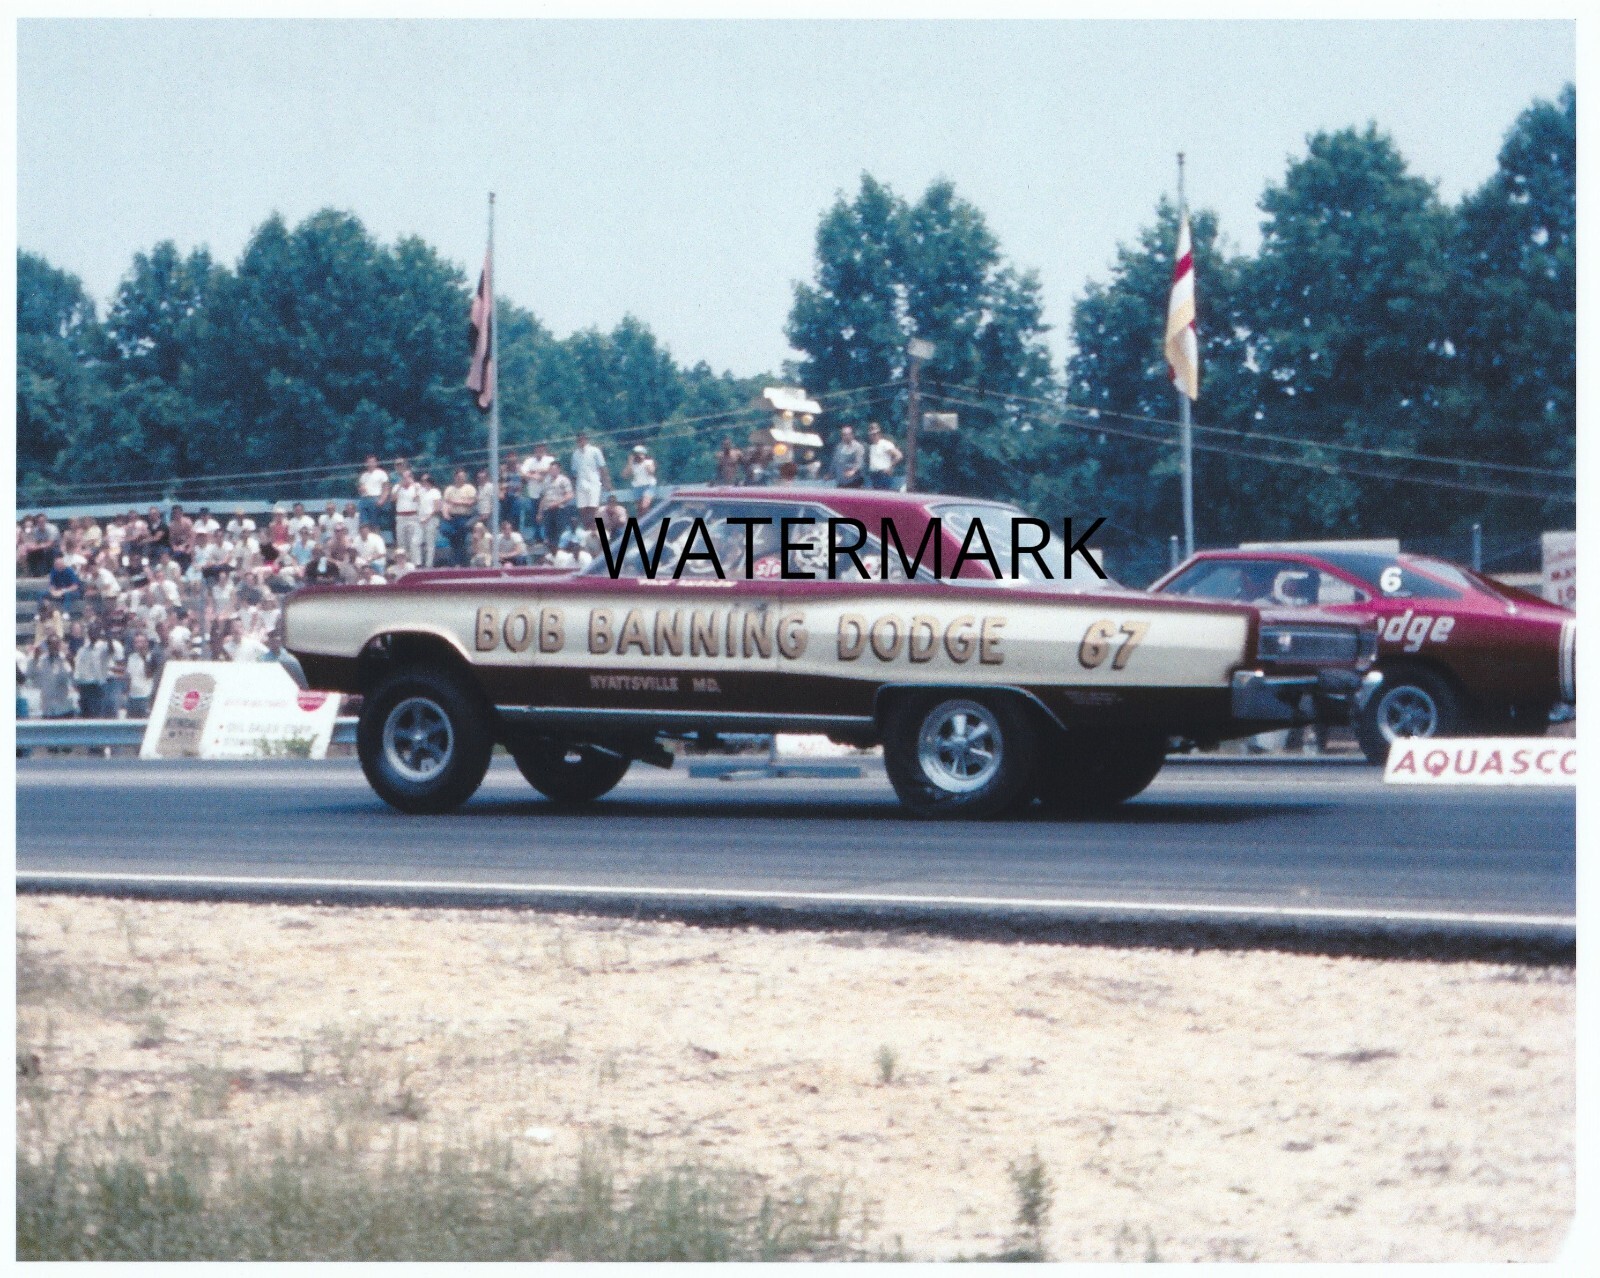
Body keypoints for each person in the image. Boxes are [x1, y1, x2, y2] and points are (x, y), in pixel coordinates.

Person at [27, 636, 76, 721]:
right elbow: (30, 674)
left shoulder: (65, 659)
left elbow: (73, 678)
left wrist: (72, 663)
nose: (54, 647)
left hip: (64, 709)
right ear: (48, 646)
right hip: (47, 709)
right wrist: (35, 658)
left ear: (59, 645)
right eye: (52, 644)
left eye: (56, 644)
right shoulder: (41, 660)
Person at [569, 433, 610, 532]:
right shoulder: (575, 454)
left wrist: (606, 482)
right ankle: (587, 531)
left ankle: (596, 530)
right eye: (579, 440)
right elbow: (574, 472)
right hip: (581, 484)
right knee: (582, 509)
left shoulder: (595, 451)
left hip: (593, 483)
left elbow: (602, 467)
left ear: (586, 439)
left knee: (593, 508)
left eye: (582, 439)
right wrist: (573, 487)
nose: (581, 441)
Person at [441, 469, 478, 567]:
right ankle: (456, 562)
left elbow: (470, 502)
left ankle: (460, 562)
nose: (461, 478)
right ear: (455, 477)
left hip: (464, 517)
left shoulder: (469, 488)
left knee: (460, 539)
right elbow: (446, 503)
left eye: (463, 476)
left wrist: (455, 502)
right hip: (451, 516)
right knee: (445, 530)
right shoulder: (449, 489)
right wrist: (445, 513)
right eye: (459, 476)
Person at [124, 631, 162, 720]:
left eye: (141, 642)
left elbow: (148, 674)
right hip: (132, 697)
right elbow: (129, 675)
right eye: (136, 642)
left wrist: (144, 658)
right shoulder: (131, 657)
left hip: (145, 696)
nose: (139, 645)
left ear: (146, 643)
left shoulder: (152, 657)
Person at [537, 460, 576, 547]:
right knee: (549, 533)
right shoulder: (546, 481)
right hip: (547, 510)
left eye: (554, 469)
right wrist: (539, 513)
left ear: (559, 469)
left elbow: (570, 495)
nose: (552, 471)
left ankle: (560, 550)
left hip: (560, 510)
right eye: (550, 469)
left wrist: (557, 503)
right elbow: (543, 497)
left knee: (560, 532)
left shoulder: (564, 480)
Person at [391, 466, 422, 567]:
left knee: (413, 542)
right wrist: (400, 486)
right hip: (401, 517)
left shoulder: (416, 486)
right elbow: (393, 499)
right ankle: (402, 563)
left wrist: (415, 487)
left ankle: (416, 564)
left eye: (407, 477)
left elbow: (417, 499)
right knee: (401, 542)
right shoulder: (397, 487)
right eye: (403, 477)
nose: (405, 479)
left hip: (413, 516)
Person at [357, 455, 390, 535]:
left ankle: (376, 542)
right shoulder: (363, 475)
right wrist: (361, 489)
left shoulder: (381, 473)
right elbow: (360, 489)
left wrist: (382, 500)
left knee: (374, 524)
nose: (370, 464)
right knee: (364, 524)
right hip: (364, 499)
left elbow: (386, 488)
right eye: (369, 462)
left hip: (375, 498)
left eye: (372, 462)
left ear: (376, 463)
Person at [865, 422, 904, 490]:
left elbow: (899, 455)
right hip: (873, 475)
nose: (874, 436)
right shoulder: (871, 446)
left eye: (876, 434)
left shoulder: (885, 444)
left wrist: (890, 466)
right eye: (872, 434)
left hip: (883, 475)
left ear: (879, 433)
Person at [417, 472, 443, 568]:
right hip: (420, 519)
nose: (423, 482)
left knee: (430, 544)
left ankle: (429, 565)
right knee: (416, 542)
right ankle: (418, 563)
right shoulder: (421, 491)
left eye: (424, 481)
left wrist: (427, 517)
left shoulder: (435, 492)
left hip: (431, 519)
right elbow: (415, 500)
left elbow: (437, 508)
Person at [625, 445, 658, 515]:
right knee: (639, 509)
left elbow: (651, 472)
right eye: (636, 454)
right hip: (637, 487)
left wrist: (646, 465)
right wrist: (630, 462)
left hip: (648, 486)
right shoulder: (632, 465)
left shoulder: (649, 462)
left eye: (639, 453)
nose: (637, 456)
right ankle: (642, 523)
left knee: (645, 506)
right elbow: (625, 475)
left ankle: (648, 521)